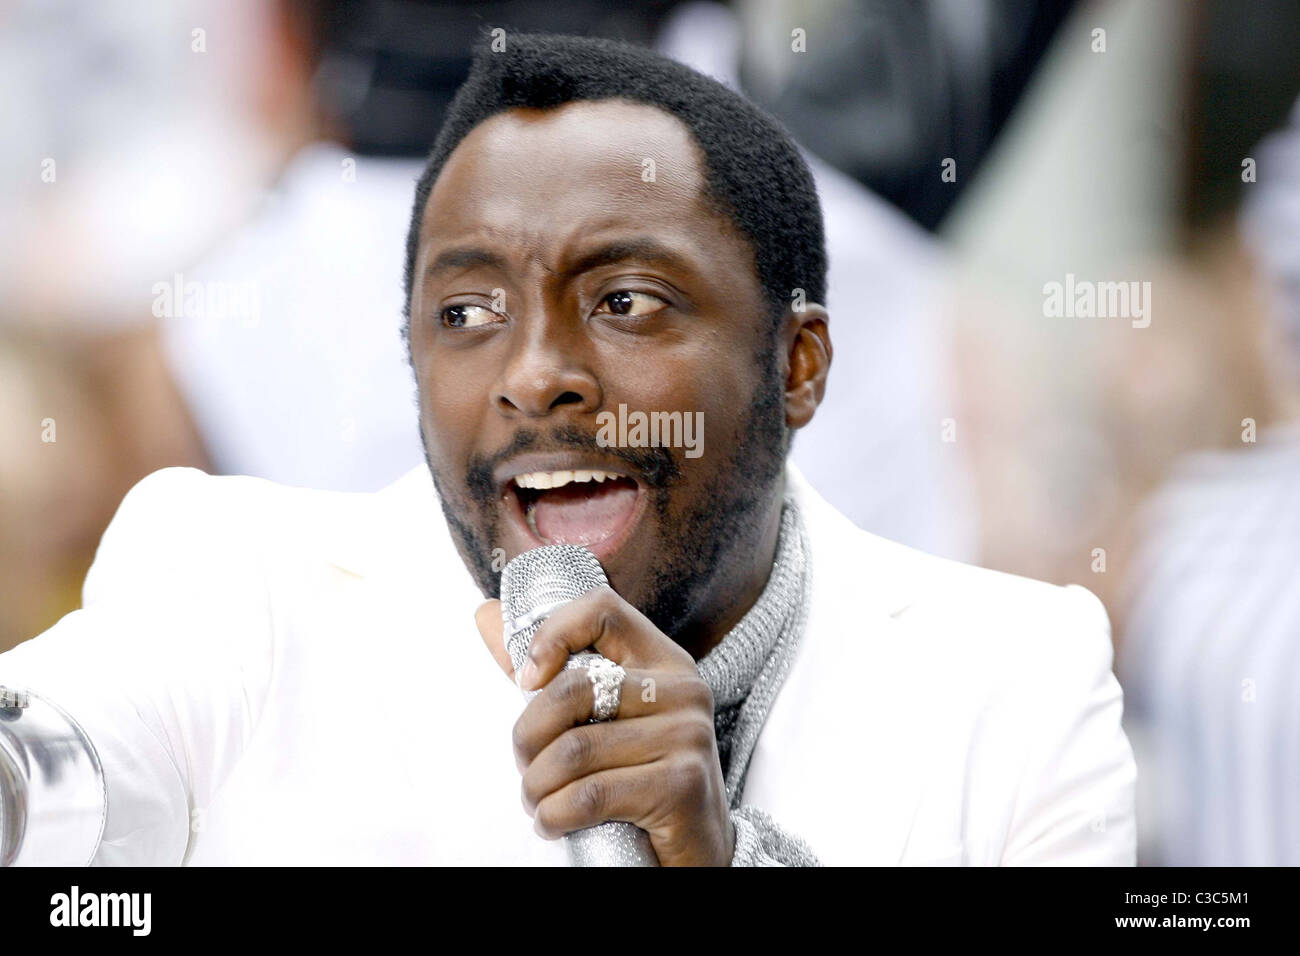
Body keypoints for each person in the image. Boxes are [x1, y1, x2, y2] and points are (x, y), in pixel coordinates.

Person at [0, 33, 1135, 866]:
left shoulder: (1020, 683)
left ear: (794, 366)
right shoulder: (230, 586)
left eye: (628, 299)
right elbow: (66, 759)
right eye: (466, 314)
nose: (533, 374)